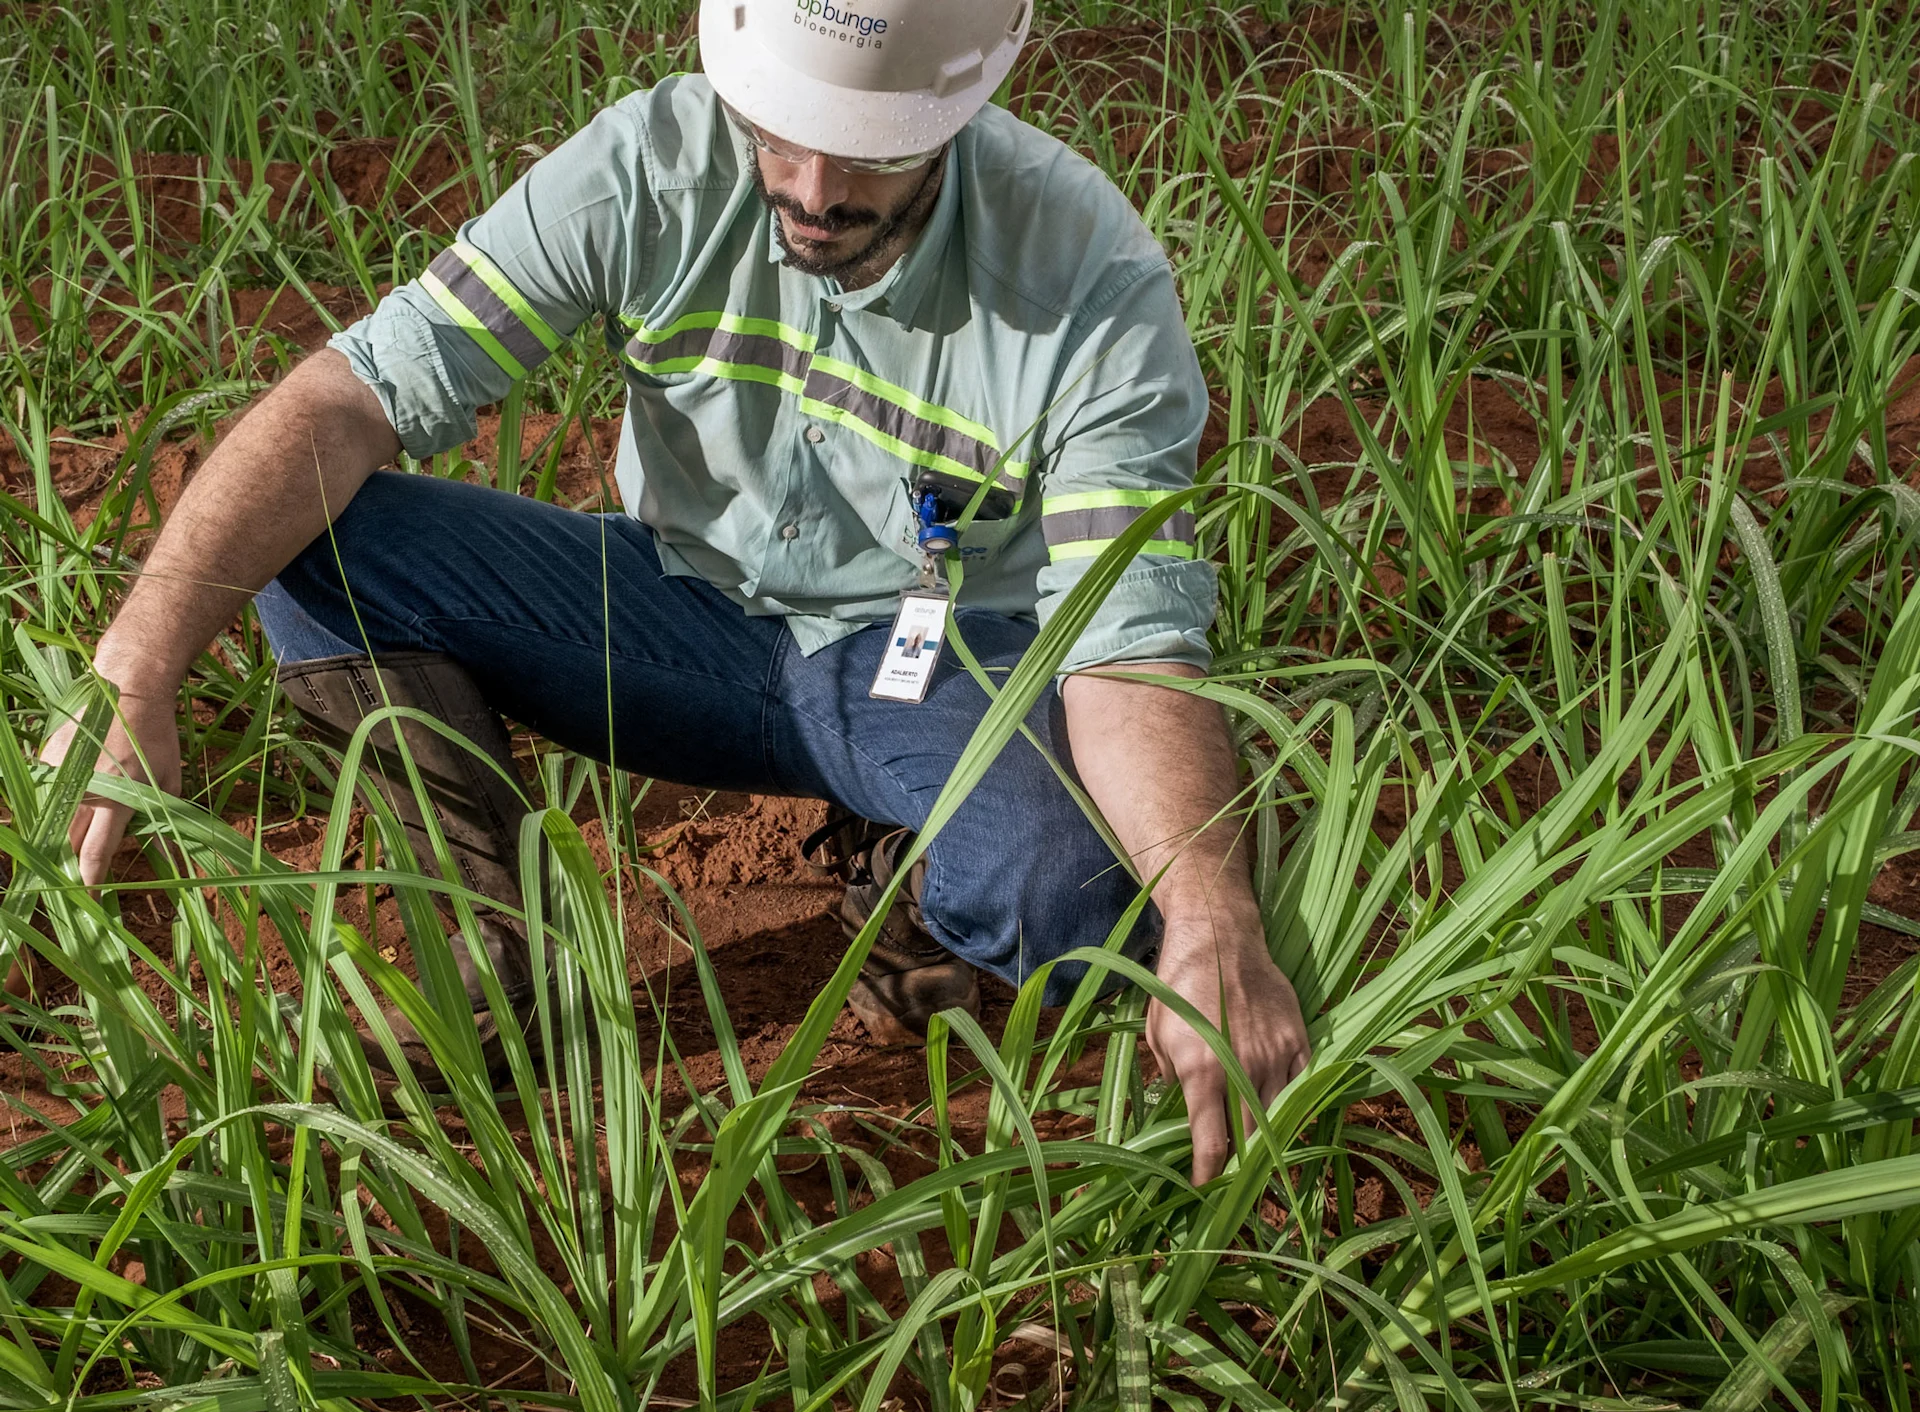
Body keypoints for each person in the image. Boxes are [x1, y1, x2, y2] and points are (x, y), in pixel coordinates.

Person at [40, 0, 1309, 1181]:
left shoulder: (1086, 282)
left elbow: (1125, 640)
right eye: (787, 137)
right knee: (317, 541)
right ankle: (484, 953)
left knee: (1074, 898)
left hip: (924, 660)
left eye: (869, 153)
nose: (814, 193)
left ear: (960, 104)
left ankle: (920, 879)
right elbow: (348, 396)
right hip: (673, 612)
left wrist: (1212, 910)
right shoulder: (650, 166)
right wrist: (138, 668)